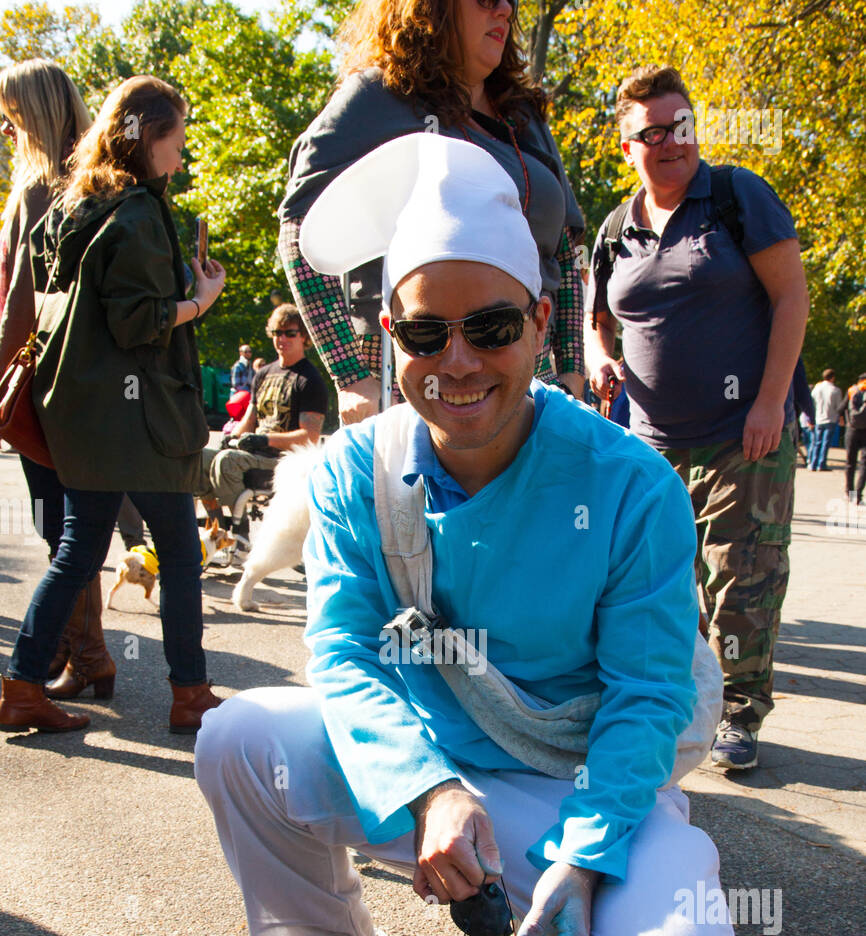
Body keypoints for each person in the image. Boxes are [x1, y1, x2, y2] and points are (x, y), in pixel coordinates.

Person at [194, 134, 743, 936]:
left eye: (489, 327)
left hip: (572, 784)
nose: (457, 362)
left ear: (539, 324)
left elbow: (648, 695)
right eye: (423, 334)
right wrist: (428, 790)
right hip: (421, 772)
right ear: (387, 336)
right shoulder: (353, 474)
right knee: (237, 739)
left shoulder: (629, 484)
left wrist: (588, 854)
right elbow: (344, 654)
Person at [585, 65, 809, 773]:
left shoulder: (737, 197)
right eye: (650, 133)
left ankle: (739, 714)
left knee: (741, 579)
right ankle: (682, 705)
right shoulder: (616, 227)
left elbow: (792, 297)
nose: (669, 142)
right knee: (661, 585)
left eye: (679, 126)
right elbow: (597, 318)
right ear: (628, 148)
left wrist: (771, 401)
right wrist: (599, 357)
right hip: (649, 446)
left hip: (744, 434)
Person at [0, 76, 227, 736]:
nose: (181, 159)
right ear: (148, 140)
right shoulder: (139, 215)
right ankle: (190, 695)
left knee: (76, 552)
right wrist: (200, 299)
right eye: (176, 142)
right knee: (181, 555)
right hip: (139, 421)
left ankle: (20, 687)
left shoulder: (76, 204)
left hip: (81, 416)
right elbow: (138, 324)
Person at [278, 0, 586, 426]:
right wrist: (350, 375)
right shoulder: (378, 98)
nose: (504, 11)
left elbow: (564, 252)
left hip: (533, 373)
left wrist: (572, 371)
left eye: (511, 2)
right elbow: (298, 229)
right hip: (423, 368)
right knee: (427, 493)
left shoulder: (525, 117)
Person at [0, 59, 97, 684]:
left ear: (33, 113)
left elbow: (21, 302)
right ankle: (85, 653)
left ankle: (84, 655)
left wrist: (3, 371)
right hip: (78, 379)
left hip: (41, 379)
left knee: (61, 525)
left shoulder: (40, 187)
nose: (6, 130)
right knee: (72, 523)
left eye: (11, 117)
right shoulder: (87, 179)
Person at [197, 303, 327, 540]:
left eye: (290, 333)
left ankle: (240, 531)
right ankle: (218, 530)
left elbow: (309, 437)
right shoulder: (263, 373)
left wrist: (263, 438)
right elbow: (249, 418)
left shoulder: (309, 380)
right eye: (278, 332)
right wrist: (233, 436)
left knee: (227, 462)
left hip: (283, 461)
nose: (282, 339)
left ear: (304, 337)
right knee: (198, 460)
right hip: (252, 453)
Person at [808, 368, 845, 471]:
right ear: (832, 377)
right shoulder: (835, 390)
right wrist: (841, 419)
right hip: (830, 418)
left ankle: (813, 463)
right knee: (825, 443)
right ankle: (821, 464)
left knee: (817, 442)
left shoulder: (817, 388)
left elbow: (812, 403)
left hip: (818, 418)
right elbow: (839, 407)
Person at [843, 371, 866, 505]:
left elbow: (840, 408)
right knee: (864, 465)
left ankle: (850, 493)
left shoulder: (852, 391)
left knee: (850, 463)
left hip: (852, 430)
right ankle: (858, 495)